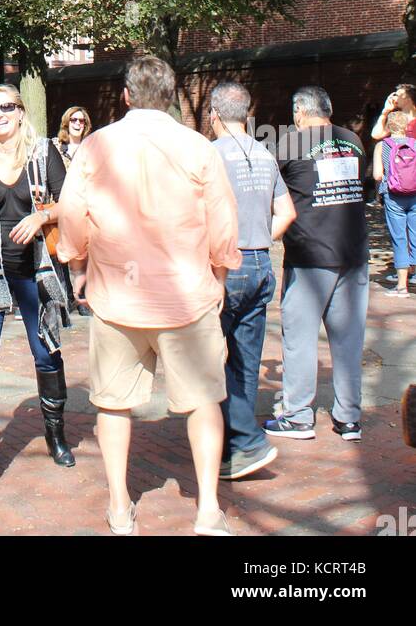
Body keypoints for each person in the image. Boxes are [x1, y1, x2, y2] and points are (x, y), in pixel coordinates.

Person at [58, 55, 242, 537]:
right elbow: (223, 220)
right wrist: (220, 273)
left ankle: (120, 506)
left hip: (119, 292)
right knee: (203, 400)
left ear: (125, 96)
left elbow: (72, 214)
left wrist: (77, 264)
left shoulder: (95, 146)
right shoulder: (199, 146)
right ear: (172, 95)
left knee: (113, 403)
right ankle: (207, 509)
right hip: (186, 294)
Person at [0, 85, 73, 493]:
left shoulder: (44, 154)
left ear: (22, 112)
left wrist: (43, 218)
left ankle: (56, 436)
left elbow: (71, 202)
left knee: (46, 354)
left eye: (8, 107)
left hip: (34, 272)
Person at [266, 86, 370, 443]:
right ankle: (348, 419)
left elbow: (272, 190)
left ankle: (297, 416)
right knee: (348, 340)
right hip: (353, 255)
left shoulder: (292, 143)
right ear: (328, 109)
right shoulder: (353, 140)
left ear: (299, 113)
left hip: (310, 256)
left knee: (300, 338)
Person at [209, 81, 296, 479]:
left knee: (209, 359)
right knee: (245, 359)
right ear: (247, 113)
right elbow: (287, 213)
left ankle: (235, 441)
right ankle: (240, 444)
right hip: (261, 263)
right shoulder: (265, 154)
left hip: (226, 267)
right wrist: (260, 238)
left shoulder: (211, 156)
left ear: (213, 114)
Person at [52, 106, 93, 315]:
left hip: (85, 206)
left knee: (84, 251)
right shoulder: (56, 148)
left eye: (82, 121)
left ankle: (83, 297)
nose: (78, 124)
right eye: (74, 120)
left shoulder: (91, 148)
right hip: (63, 206)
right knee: (63, 252)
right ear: (66, 123)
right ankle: (67, 296)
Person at [372, 108, 416, 296]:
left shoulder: (383, 146)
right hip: (415, 195)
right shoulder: (414, 144)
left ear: (389, 127)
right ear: (407, 126)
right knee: (415, 234)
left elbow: (377, 174)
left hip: (393, 195)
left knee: (399, 238)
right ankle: (414, 275)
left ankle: (401, 286)